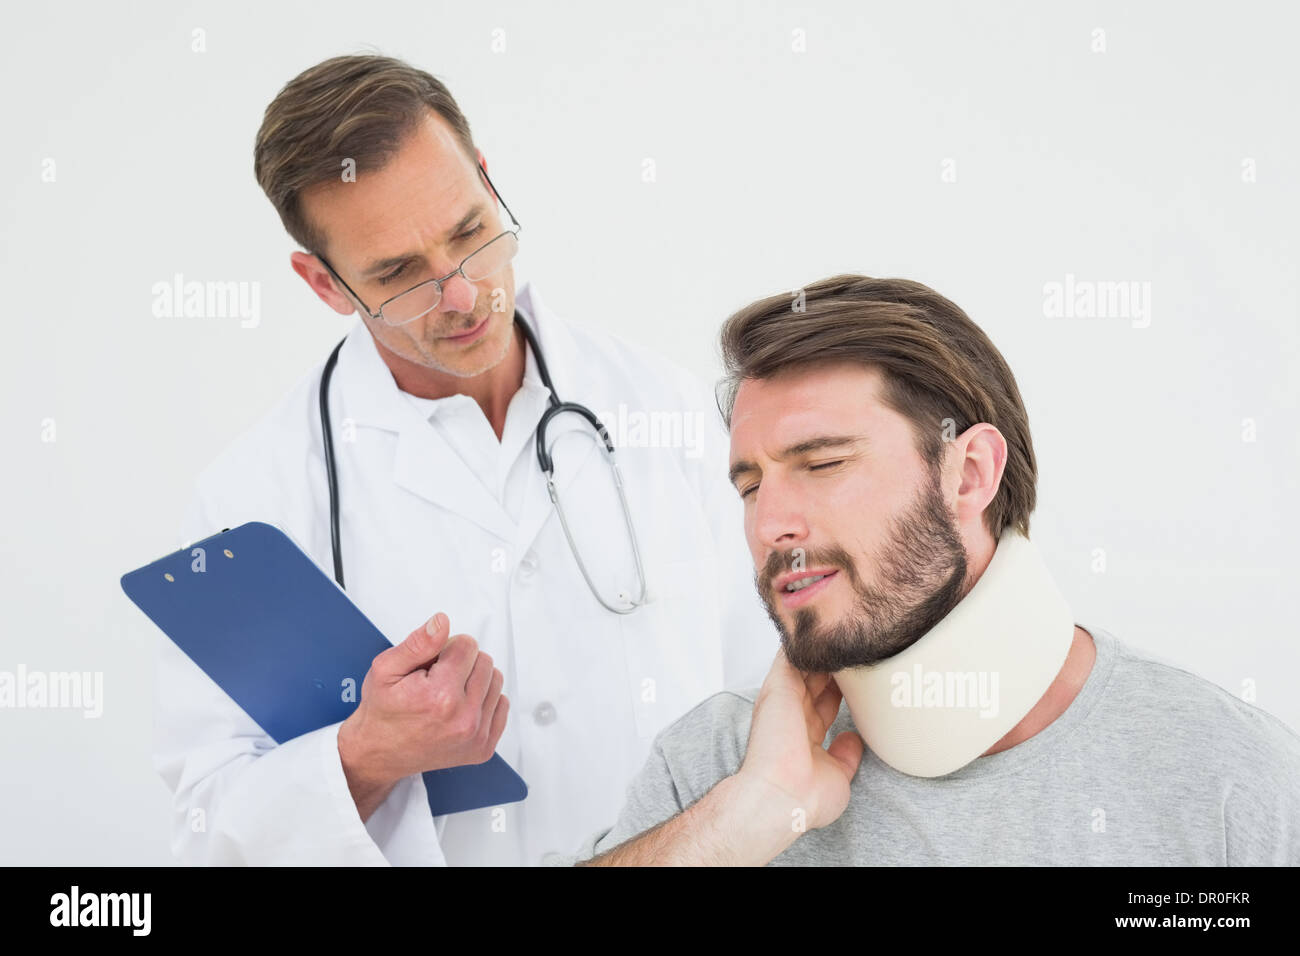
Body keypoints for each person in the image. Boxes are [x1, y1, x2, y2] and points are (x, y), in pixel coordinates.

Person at [153, 54, 777, 866]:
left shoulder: (669, 410)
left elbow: (777, 696)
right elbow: (208, 830)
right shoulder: (251, 501)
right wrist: (363, 757)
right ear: (324, 284)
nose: (462, 294)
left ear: (487, 180)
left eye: (469, 233)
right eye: (399, 273)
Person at [549, 274, 1300, 866]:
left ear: (969, 473)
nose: (768, 523)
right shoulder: (716, 772)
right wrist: (748, 817)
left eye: (823, 463)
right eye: (750, 486)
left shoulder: (1229, 782)